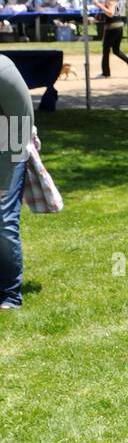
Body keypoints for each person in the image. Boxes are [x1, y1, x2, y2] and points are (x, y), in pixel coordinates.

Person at [0, 54, 35, 309]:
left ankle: (10, 293)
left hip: (10, 147)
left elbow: (19, 126)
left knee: (3, 219)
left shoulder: (3, 70)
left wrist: (3, 180)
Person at [95, 0, 128, 79]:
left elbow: (110, 13)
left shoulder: (111, 0)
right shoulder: (108, 2)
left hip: (113, 28)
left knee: (106, 50)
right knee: (116, 50)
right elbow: (107, 21)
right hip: (117, 27)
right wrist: (104, 36)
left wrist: (98, 5)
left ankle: (105, 73)